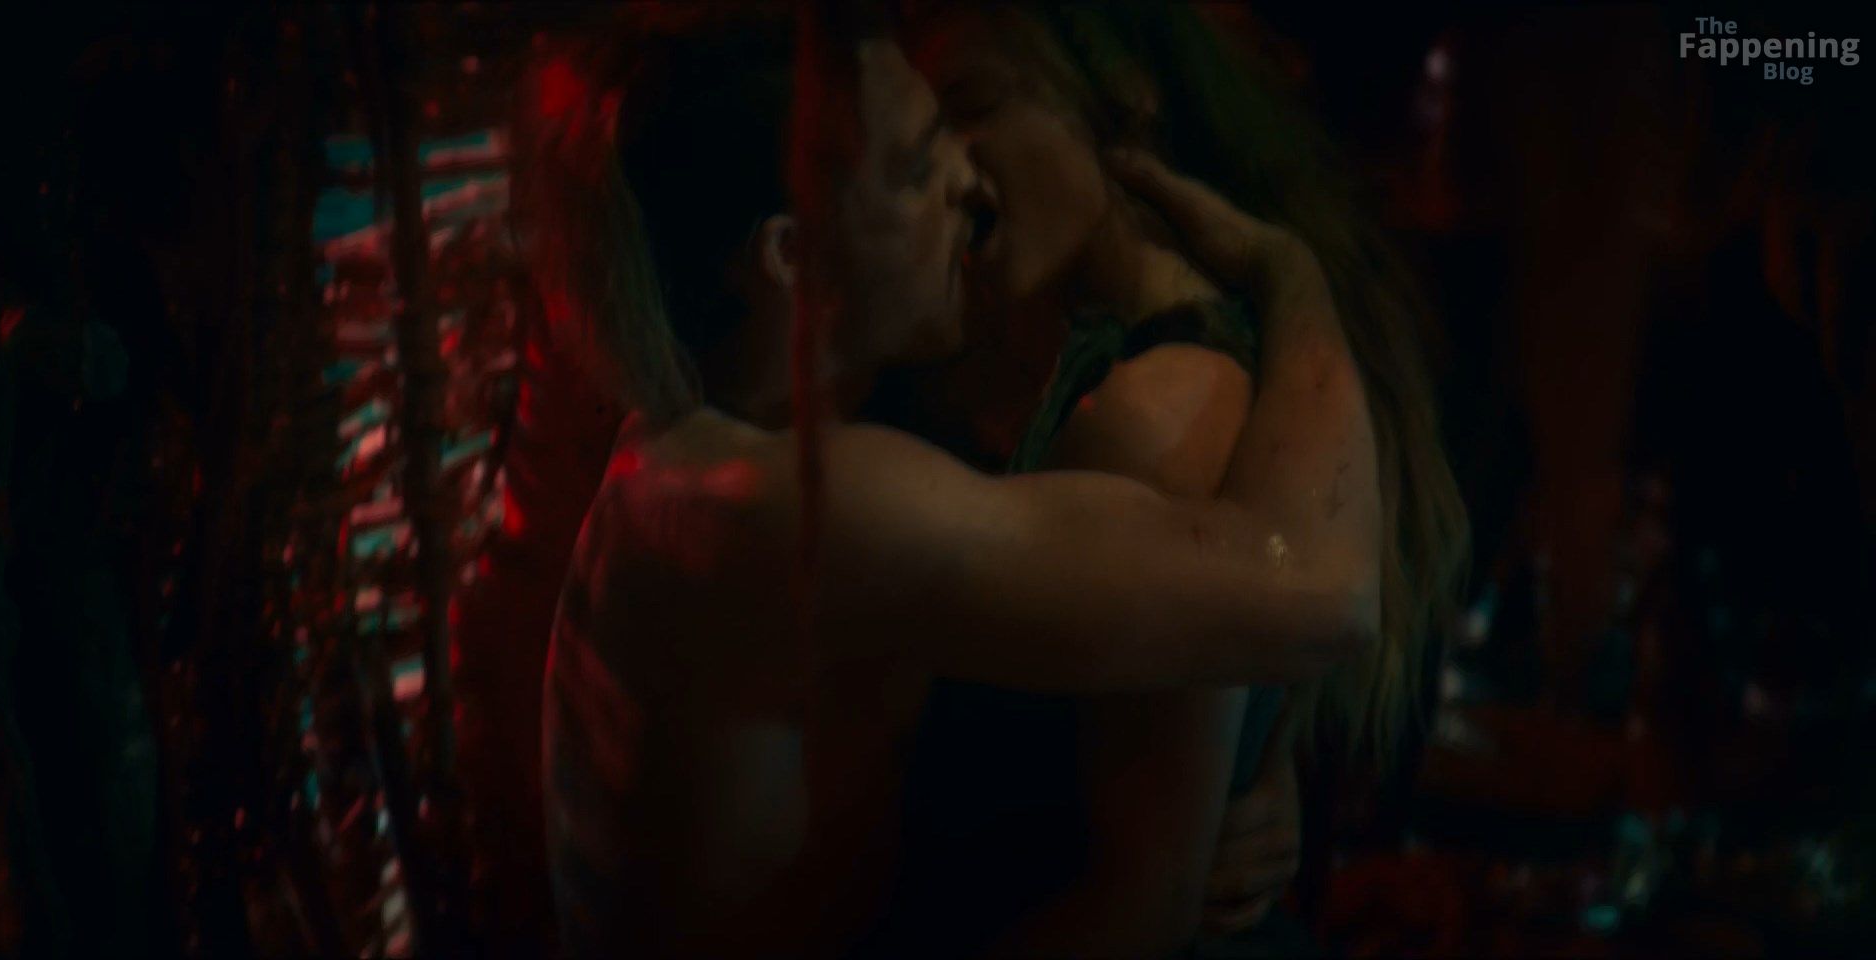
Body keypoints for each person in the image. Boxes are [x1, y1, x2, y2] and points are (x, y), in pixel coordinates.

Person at [533, 7, 1382, 957]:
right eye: (913, 170)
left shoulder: (718, 447)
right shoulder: (778, 510)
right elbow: (1323, 589)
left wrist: (1233, 758)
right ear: (793, 255)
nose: (967, 182)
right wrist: (1291, 276)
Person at [855, 3, 1470, 956]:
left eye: (973, 109)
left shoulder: (1156, 412)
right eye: (927, 138)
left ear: (1124, 100)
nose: (953, 171)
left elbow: (1137, 905)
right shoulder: (1088, 371)